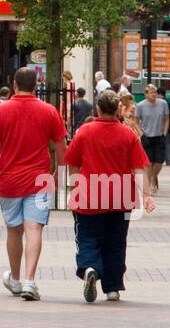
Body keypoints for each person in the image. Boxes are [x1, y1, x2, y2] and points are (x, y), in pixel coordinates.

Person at [0, 66, 67, 301]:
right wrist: (59, 173)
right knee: (34, 229)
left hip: (9, 180)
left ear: (15, 85)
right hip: (40, 180)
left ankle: (16, 279)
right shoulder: (49, 111)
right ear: (36, 86)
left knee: (14, 230)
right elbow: (61, 146)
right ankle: (30, 280)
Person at [65, 90, 151, 302]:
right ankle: (112, 287)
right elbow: (139, 168)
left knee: (87, 238)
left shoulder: (84, 132)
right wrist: (147, 195)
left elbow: (73, 165)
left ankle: (89, 268)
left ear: (97, 109)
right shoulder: (128, 134)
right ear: (119, 109)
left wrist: (75, 185)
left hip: (89, 196)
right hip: (121, 198)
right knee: (116, 242)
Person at [134, 84, 170, 194]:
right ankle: (149, 183)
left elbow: (167, 119)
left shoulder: (163, 104)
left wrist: (164, 132)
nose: (154, 95)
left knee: (159, 161)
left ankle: (153, 177)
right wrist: (141, 134)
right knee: (148, 162)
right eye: (151, 93)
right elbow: (135, 122)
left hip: (159, 135)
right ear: (146, 94)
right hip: (147, 136)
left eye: (155, 92)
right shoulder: (140, 106)